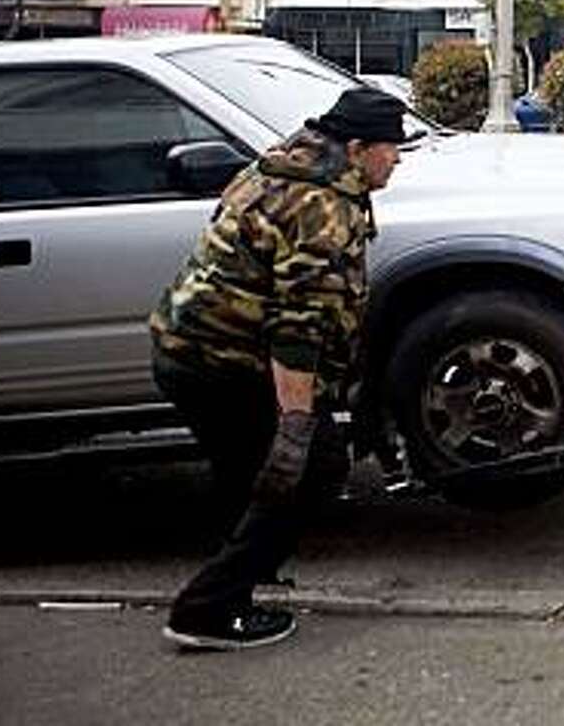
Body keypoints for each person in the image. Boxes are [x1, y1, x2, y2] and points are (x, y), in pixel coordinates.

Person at [149, 84, 409, 651]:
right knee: (308, 472)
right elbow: (297, 329)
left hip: (186, 350)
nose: (397, 159)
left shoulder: (279, 168)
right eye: (392, 149)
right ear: (359, 148)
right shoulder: (322, 209)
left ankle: (243, 577)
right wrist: (297, 425)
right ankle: (207, 610)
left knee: (246, 472)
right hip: (222, 362)